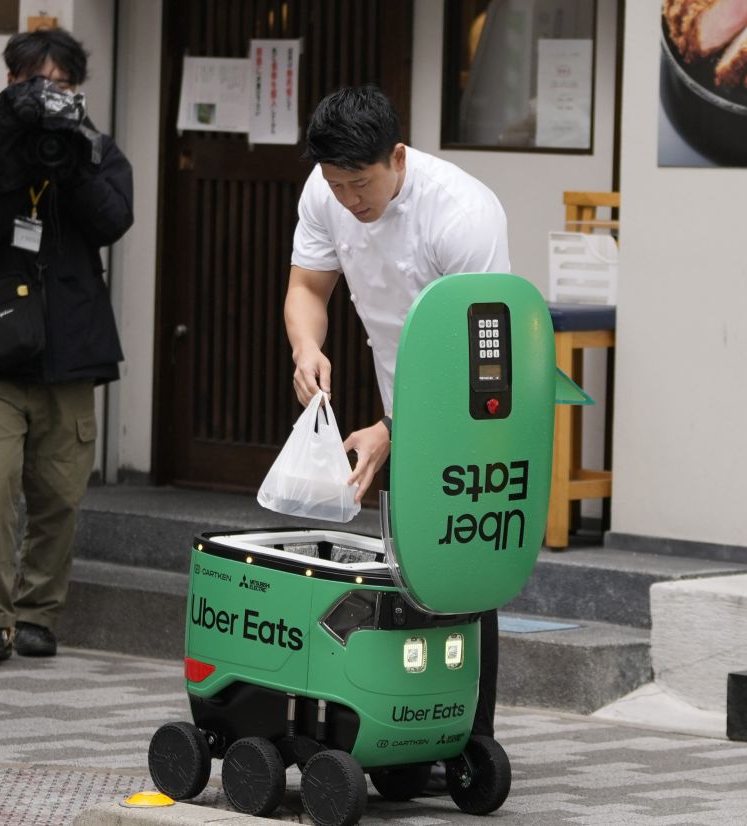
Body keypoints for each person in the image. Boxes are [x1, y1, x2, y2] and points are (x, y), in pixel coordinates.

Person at [283, 85, 508, 744]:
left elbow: (479, 354)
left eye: (362, 182)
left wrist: (392, 431)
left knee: (459, 564)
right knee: (406, 561)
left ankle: (468, 738)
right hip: (399, 393)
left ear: (399, 157)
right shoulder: (323, 195)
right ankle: (405, 730)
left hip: (473, 407)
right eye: (336, 183)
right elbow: (306, 287)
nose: (351, 200)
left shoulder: (462, 214)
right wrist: (307, 347)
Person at [0, 27, 133, 664]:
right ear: (10, 82)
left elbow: (113, 221)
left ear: (76, 88)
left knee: (58, 495)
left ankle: (36, 615)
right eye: (35, 83)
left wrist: (71, 163)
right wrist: (12, 163)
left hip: (72, 353)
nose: (47, 95)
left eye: (59, 84)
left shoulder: (96, 150)